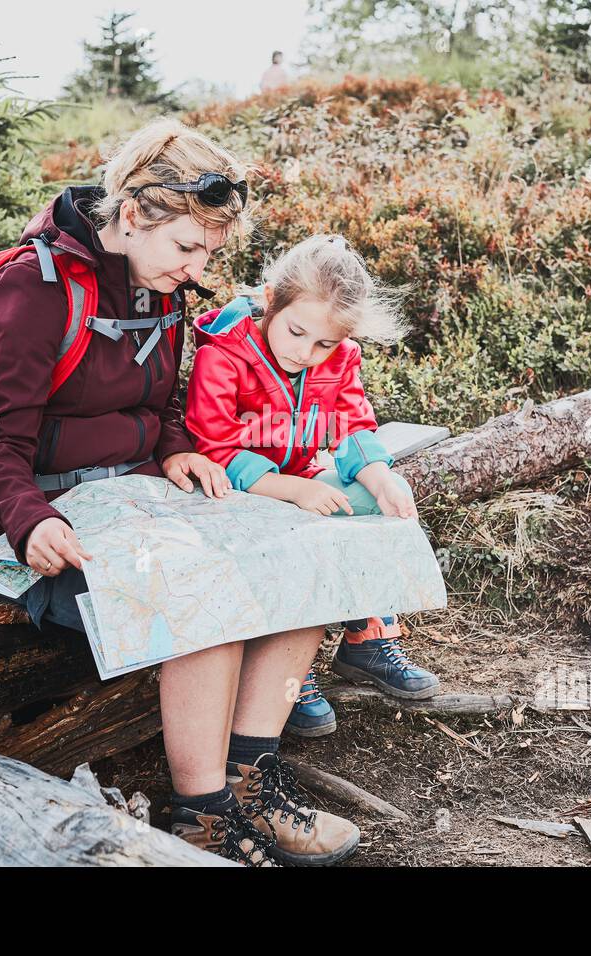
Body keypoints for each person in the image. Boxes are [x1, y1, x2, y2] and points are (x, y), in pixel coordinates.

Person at [0, 120, 356, 866]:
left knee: (308, 546)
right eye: (188, 247)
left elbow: (161, 410)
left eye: (210, 252)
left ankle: (252, 781)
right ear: (135, 214)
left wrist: (176, 451)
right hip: (54, 523)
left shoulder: (158, 287)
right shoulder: (31, 289)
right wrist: (27, 520)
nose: (197, 268)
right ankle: (203, 817)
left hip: (144, 500)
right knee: (201, 581)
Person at [185, 234, 441, 747]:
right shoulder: (225, 354)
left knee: (371, 501)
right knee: (282, 541)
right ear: (270, 300)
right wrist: (292, 491)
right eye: (297, 333)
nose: (306, 354)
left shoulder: (339, 357)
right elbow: (213, 445)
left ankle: (365, 636)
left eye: (324, 344)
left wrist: (382, 478)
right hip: (231, 498)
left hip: (300, 482)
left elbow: (350, 427)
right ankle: (285, 670)